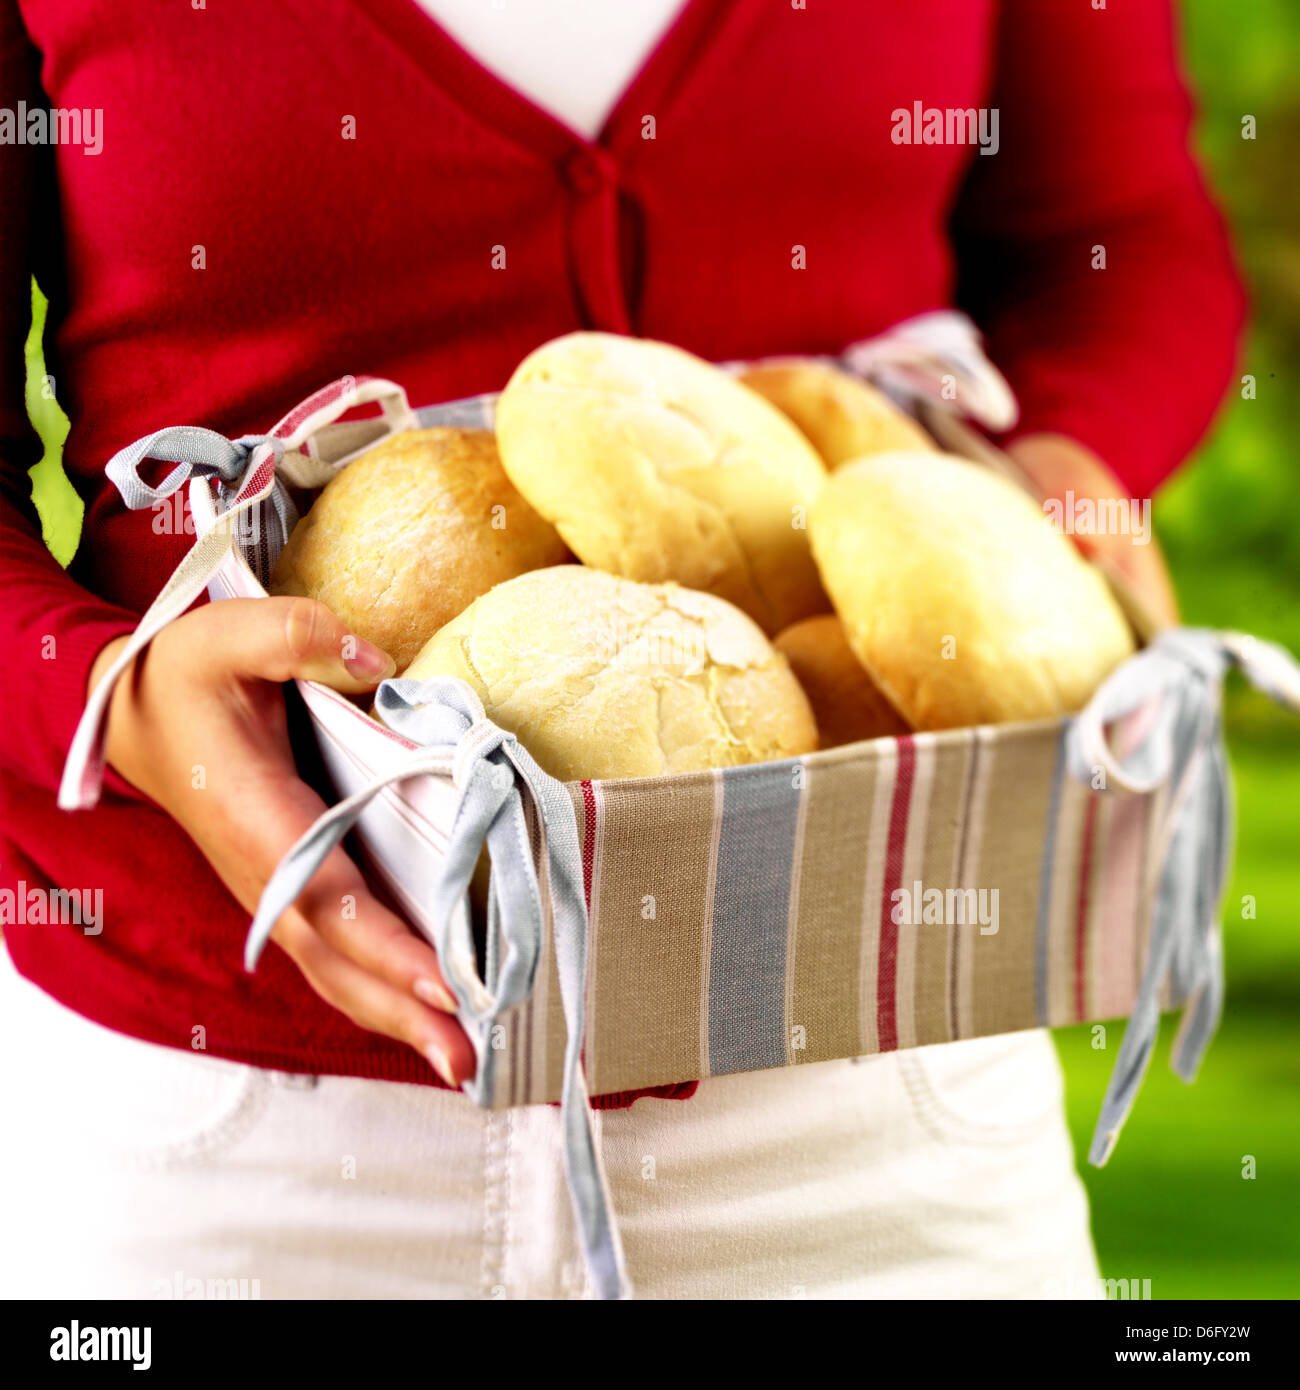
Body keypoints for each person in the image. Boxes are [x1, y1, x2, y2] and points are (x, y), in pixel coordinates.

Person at [0, 0, 1243, 1298]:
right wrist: (111, 696)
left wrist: (1046, 485)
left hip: (873, 1080)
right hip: (225, 1108)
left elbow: (1121, 241)